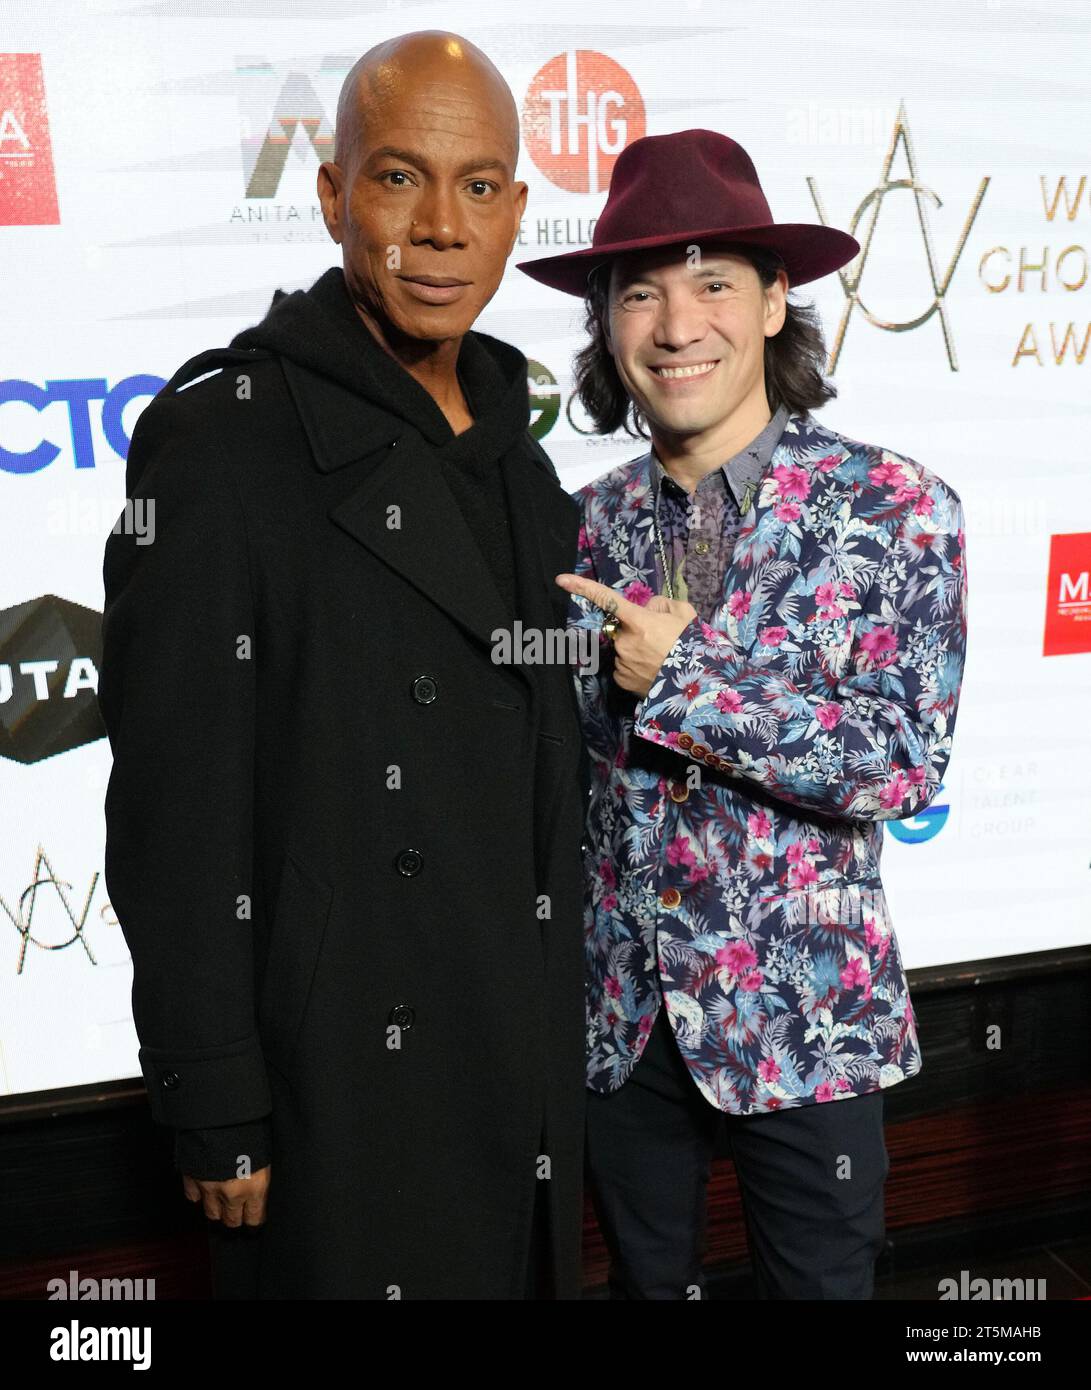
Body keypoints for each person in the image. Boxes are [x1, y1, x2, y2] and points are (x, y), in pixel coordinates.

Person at [98, 30, 586, 1300]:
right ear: (328, 193)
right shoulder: (223, 442)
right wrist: (214, 1096)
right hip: (337, 1089)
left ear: (517, 213)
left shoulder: (526, 464)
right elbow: (174, 806)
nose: (438, 227)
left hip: (516, 1071)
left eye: (479, 187)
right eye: (396, 178)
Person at [517, 128, 968, 1299]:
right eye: (640, 293)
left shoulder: (896, 506)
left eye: (713, 283)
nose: (676, 327)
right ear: (606, 324)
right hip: (617, 1025)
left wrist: (683, 684)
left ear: (774, 301)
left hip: (809, 1021)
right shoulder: (574, 525)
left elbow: (902, 761)